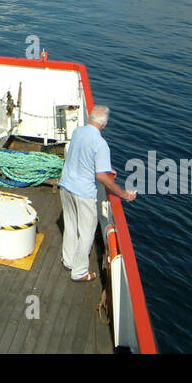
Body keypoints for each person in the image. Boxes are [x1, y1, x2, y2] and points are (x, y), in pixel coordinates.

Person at [58, 105, 136, 282]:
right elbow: (101, 176)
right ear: (105, 124)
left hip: (66, 186)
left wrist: (106, 167)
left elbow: (81, 156)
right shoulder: (101, 144)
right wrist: (124, 194)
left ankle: (68, 260)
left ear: (90, 118)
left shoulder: (78, 131)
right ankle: (79, 272)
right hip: (84, 193)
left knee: (70, 226)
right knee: (86, 233)